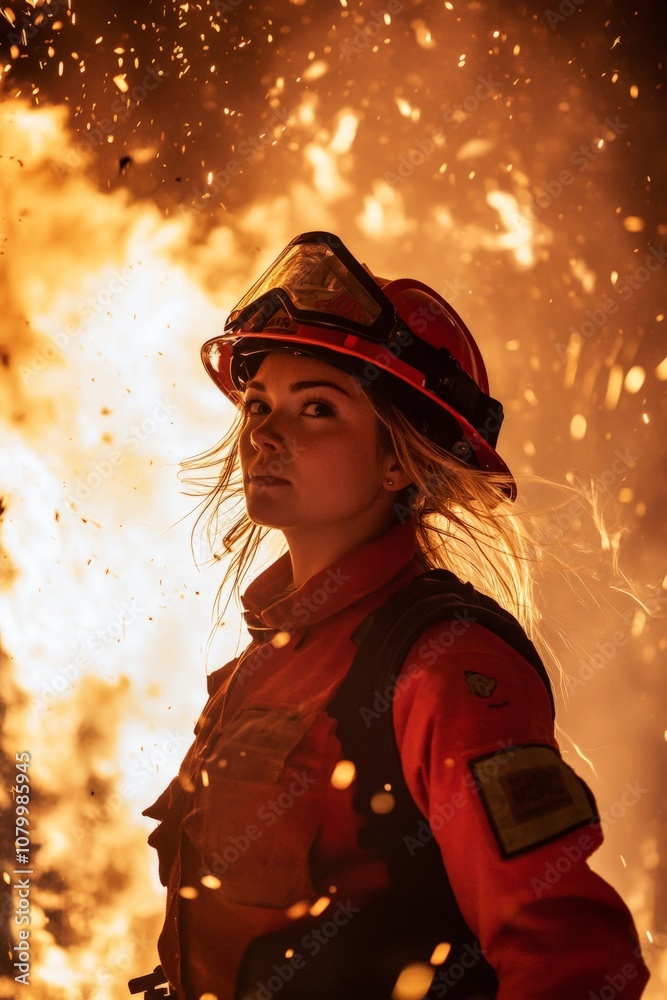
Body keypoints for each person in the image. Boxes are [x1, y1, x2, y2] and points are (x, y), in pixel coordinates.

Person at [140, 232, 649, 1000]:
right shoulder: (264, 662)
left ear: (398, 460)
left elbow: (572, 957)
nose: (265, 433)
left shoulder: (441, 662)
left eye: (317, 408)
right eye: (257, 403)